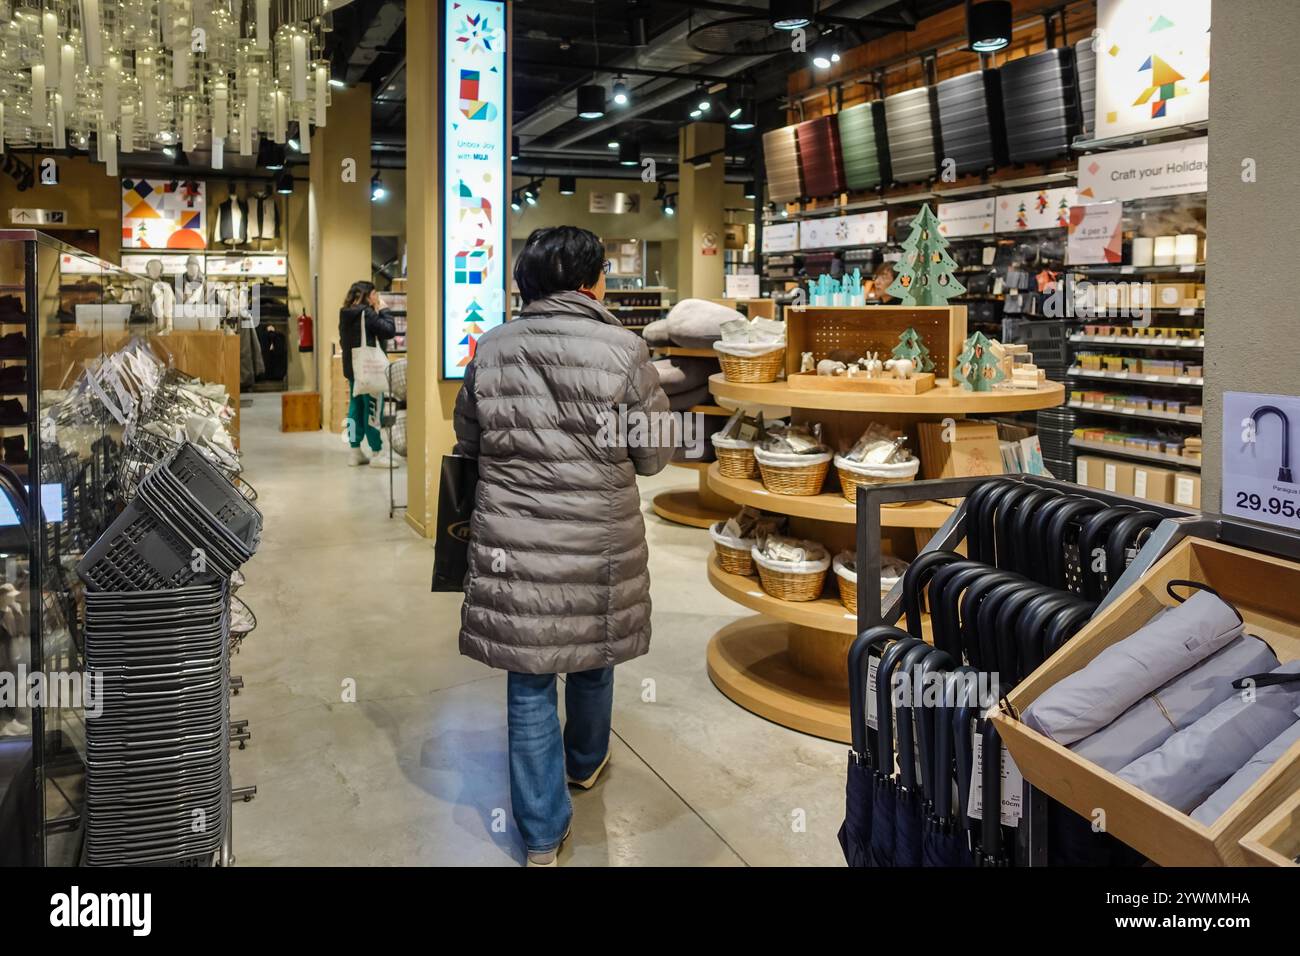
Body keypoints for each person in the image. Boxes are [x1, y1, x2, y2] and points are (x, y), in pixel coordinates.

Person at [452, 226, 672, 867]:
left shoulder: (491, 348)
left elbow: (469, 444)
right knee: (592, 654)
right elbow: (654, 455)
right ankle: (584, 764)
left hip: (512, 545)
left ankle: (542, 836)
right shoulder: (626, 350)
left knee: (528, 680)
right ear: (588, 281)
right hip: (596, 540)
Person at [338, 281, 397, 467]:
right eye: (374, 293)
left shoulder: (345, 313)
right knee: (372, 407)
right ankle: (377, 452)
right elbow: (389, 331)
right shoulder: (367, 313)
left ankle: (355, 451)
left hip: (353, 369)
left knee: (355, 408)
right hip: (369, 369)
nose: (376, 296)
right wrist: (385, 310)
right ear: (366, 295)